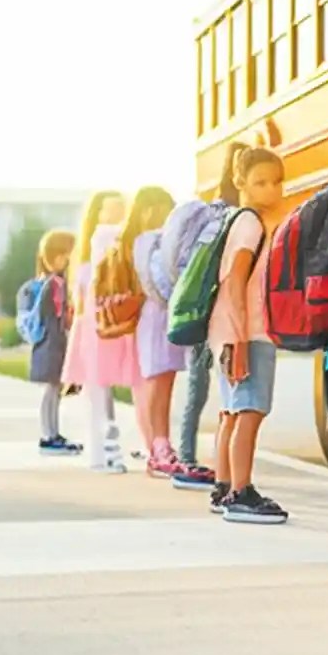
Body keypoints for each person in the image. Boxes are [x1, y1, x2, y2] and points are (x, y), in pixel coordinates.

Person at [206, 146, 288, 522]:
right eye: (260, 182)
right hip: (247, 330)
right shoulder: (251, 223)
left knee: (231, 413)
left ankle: (223, 485)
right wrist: (240, 339)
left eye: (276, 182)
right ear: (240, 183)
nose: (271, 189)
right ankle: (241, 491)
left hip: (229, 330)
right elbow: (236, 281)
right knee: (250, 412)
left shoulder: (238, 220)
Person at [173, 140, 249, 489]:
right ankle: (205, 466)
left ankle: (203, 463)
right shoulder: (230, 216)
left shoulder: (212, 213)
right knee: (218, 393)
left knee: (208, 390)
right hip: (218, 312)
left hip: (208, 309)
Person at [62, 190, 139, 474]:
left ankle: (103, 451)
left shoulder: (93, 248)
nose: (120, 214)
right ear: (100, 213)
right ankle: (106, 451)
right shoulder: (105, 238)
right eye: (114, 209)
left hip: (97, 325)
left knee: (98, 392)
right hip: (99, 326)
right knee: (100, 392)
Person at [128, 186, 200, 480]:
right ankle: (159, 448)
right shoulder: (150, 240)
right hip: (159, 316)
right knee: (158, 384)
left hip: (159, 316)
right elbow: (159, 280)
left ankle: (158, 446)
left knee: (161, 382)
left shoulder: (144, 241)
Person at [25, 229, 80, 456]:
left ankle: (53, 433)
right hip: (52, 345)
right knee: (51, 391)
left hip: (48, 344)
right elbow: (63, 318)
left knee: (54, 391)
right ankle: (49, 435)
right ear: (58, 256)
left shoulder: (46, 282)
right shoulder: (56, 284)